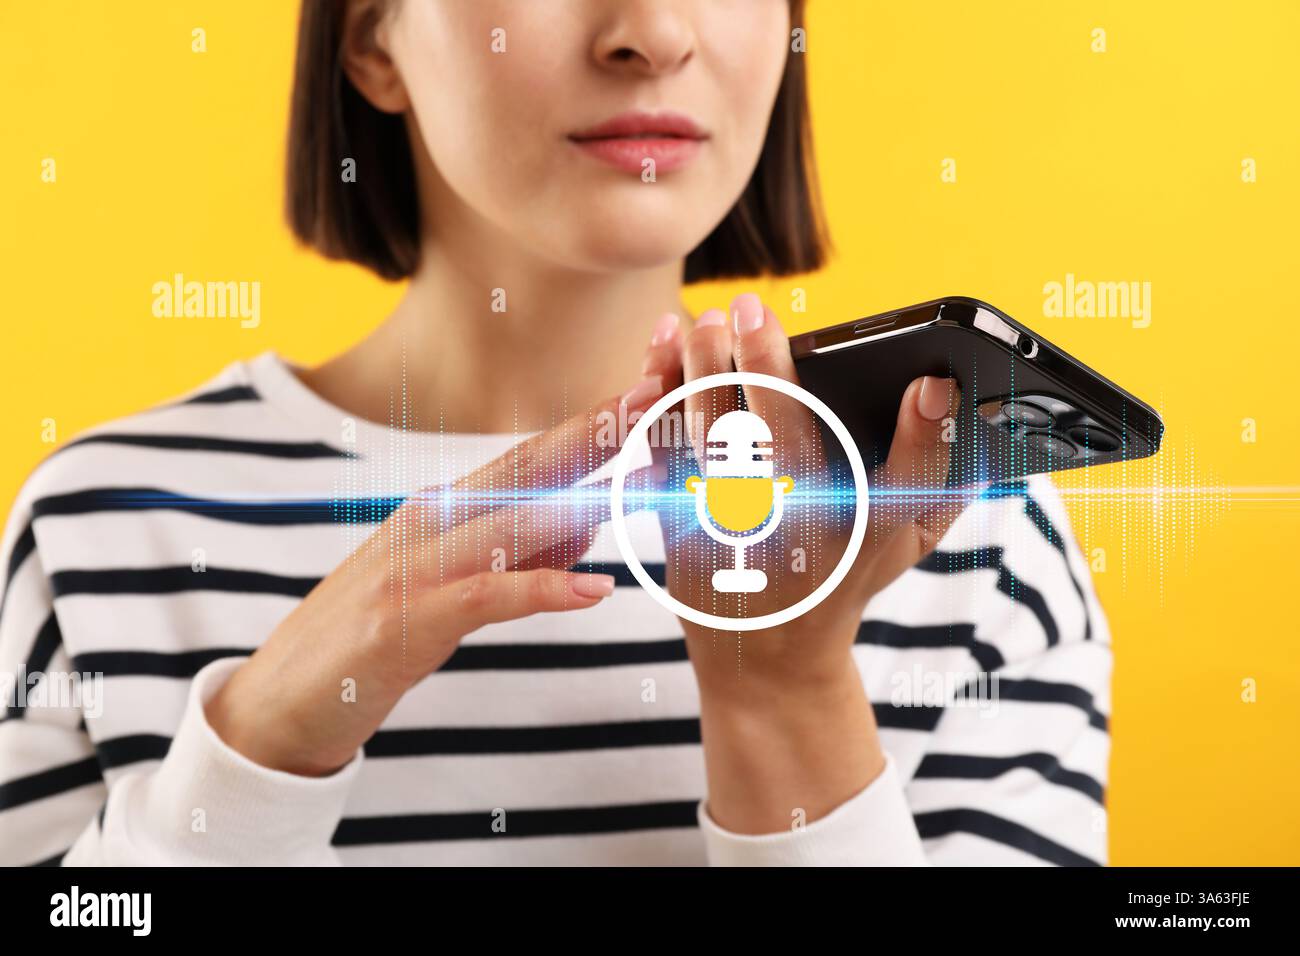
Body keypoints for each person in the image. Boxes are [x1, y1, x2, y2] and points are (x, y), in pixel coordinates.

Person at [0, 0, 1110, 866]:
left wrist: (783, 689)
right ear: (370, 41)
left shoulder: (957, 526)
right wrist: (258, 740)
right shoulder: (110, 526)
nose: (654, 34)